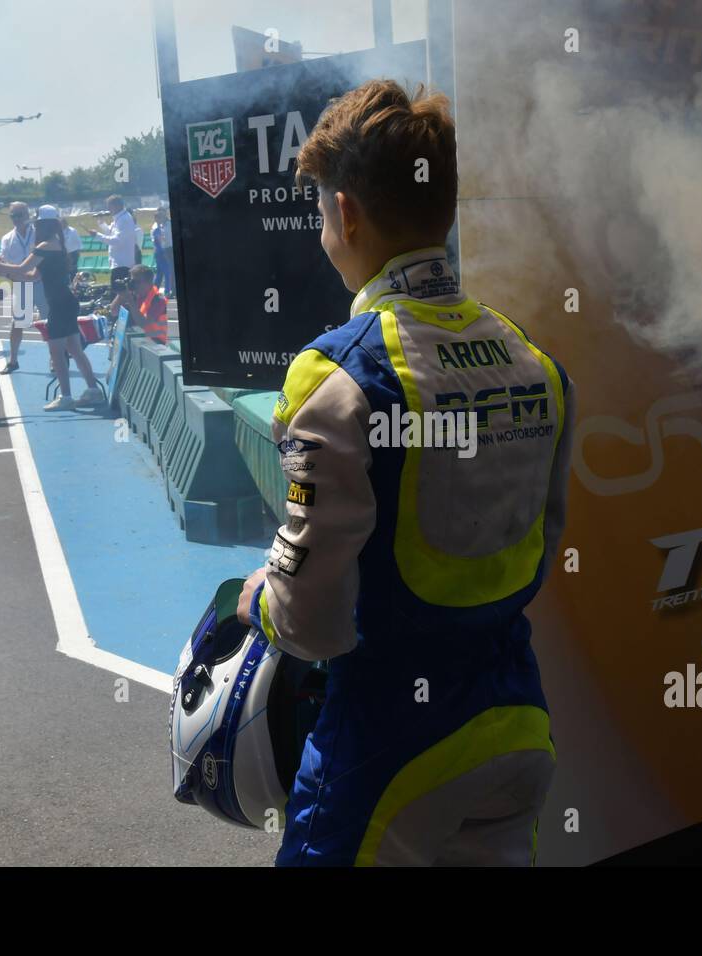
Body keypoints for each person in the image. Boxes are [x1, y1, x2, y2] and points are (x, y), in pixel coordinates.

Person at [235, 80, 575, 867]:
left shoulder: (334, 374)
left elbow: (312, 622)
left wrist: (262, 604)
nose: (324, 232)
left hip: (387, 753)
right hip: (519, 724)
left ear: (346, 213)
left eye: (322, 211)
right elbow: (538, 548)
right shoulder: (537, 361)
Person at [0, 211, 105, 411]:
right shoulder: (57, 245)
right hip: (65, 302)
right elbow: (33, 276)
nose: (35, 229)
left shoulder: (44, 246)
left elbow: (22, 270)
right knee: (74, 349)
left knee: (57, 351)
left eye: (38, 225)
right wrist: (6, 269)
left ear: (44, 226)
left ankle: (66, 396)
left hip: (58, 304)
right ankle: (93, 390)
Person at [0, 201, 50, 375]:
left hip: (42, 284)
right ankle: (13, 361)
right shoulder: (7, 238)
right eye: (13, 215)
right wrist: (12, 276)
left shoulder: (39, 234)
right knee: (17, 324)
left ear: (28, 215)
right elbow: (3, 264)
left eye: (20, 214)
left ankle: (55, 358)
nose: (17, 219)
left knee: (49, 323)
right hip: (21, 286)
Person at [88, 194, 139, 290]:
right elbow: (110, 232)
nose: (108, 209)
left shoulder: (124, 219)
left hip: (122, 263)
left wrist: (97, 236)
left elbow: (117, 240)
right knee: (119, 295)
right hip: (119, 262)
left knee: (119, 295)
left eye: (110, 206)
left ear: (117, 206)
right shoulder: (119, 218)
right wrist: (101, 222)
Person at [115, 264, 168, 345]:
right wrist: (121, 292)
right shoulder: (137, 296)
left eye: (138, 282)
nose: (135, 285)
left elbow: (145, 324)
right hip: (146, 340)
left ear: (149, 282)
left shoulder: (159, 300)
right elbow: (114, 311)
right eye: (133, 282)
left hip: (161, 344)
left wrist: (130, 301)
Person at [152, 207, 175, 298]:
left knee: (170, 271)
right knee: (164, 273)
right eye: (158, 216)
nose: (160, 218)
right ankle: (168, 291)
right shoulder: (158, 227)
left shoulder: (168, 224)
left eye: (161, 215)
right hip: (162, 251)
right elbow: (158, 240)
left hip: (169, 249)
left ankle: (170, 290)